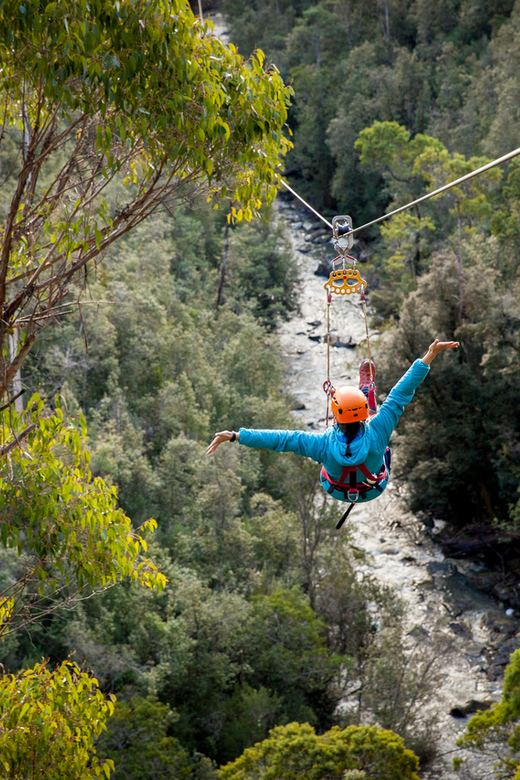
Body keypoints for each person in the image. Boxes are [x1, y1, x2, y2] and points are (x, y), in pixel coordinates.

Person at [207, 339, 459, 505]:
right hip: (373, 487)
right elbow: (399, 394)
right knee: (381, 429)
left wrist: (236, 436)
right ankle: (366, 392)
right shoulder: (377, 431)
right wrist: (429, 355)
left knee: (323, 442)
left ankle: (363, 392)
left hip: (335, 488)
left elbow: (280, 439)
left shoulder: (322, 444)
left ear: (336, 416)